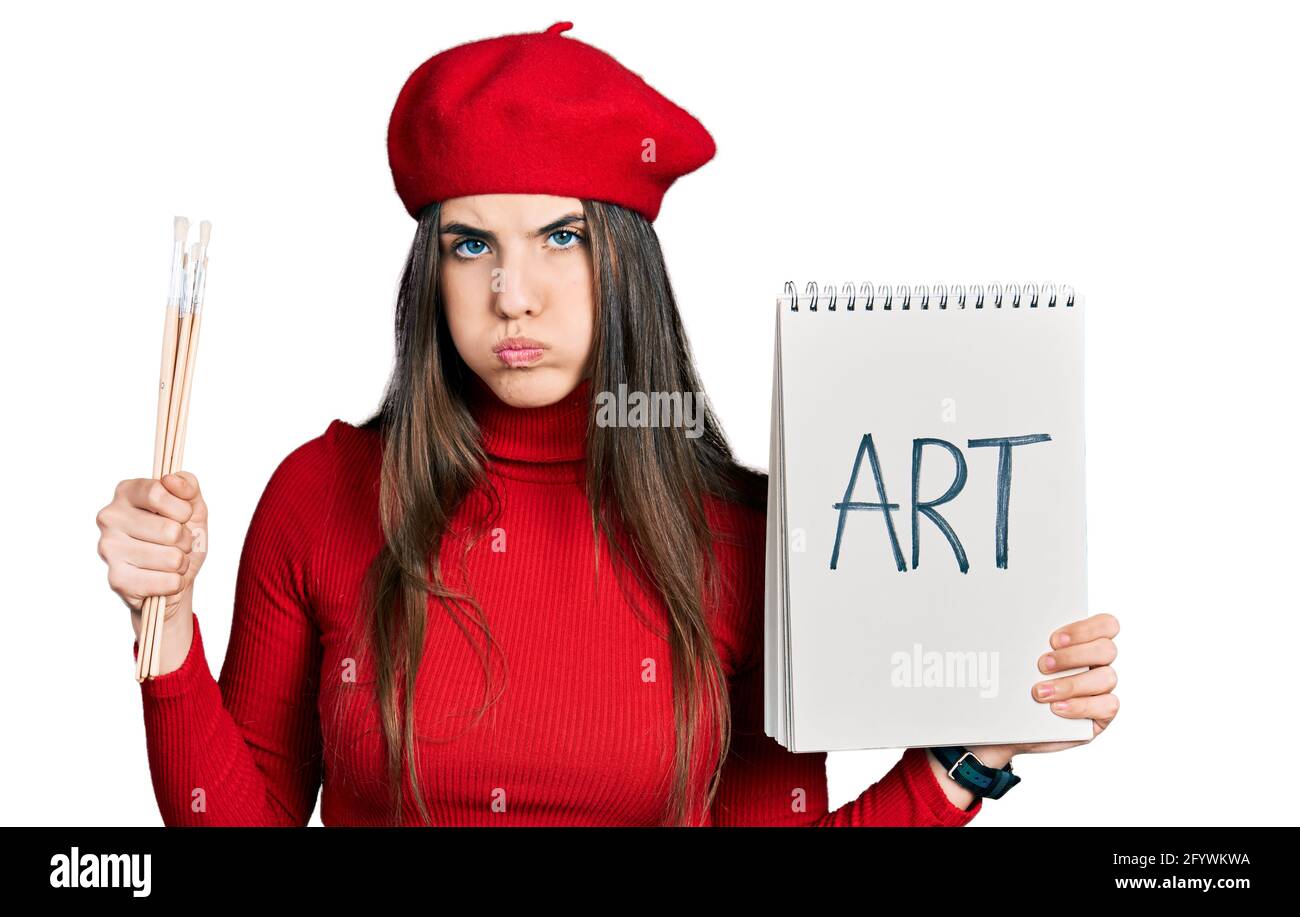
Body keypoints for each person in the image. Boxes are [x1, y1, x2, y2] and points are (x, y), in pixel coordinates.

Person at [95, 21, 1120, 827]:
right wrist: (166, 623)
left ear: (624, 262)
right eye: (470, 244)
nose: (513, 294)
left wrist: (970, 755)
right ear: (429, 273)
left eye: (560, 237)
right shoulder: (318, 495)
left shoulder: (744, 534)